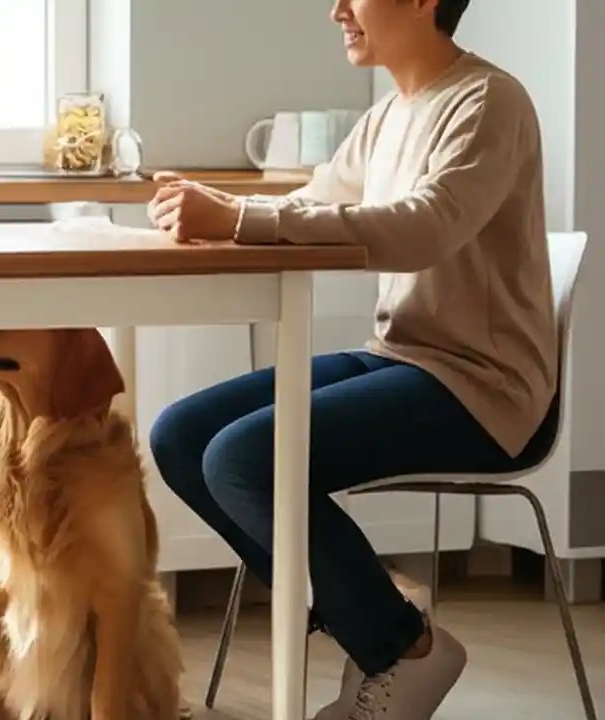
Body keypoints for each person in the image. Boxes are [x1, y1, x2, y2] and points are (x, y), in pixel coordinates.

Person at [145, 0, 556, 718]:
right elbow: (314, 202)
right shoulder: (390, 114)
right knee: (179, 436)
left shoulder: (490, 102)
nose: (337, 9)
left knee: (243, 459)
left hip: (484, 387)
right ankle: (377, 608)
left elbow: (425, 228)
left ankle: (401, 648)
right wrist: (217, 206)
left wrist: (241, 218)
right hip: (402, 355)